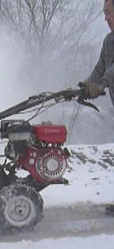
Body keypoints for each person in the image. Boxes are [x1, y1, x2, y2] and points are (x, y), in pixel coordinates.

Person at [80, 0, 114, 215]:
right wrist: (84, 87)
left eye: (109, 12)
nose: (105, 18)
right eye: (104, 13)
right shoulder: (109, 41)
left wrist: (101, 85)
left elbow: (112, 71)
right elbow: (100, 69)